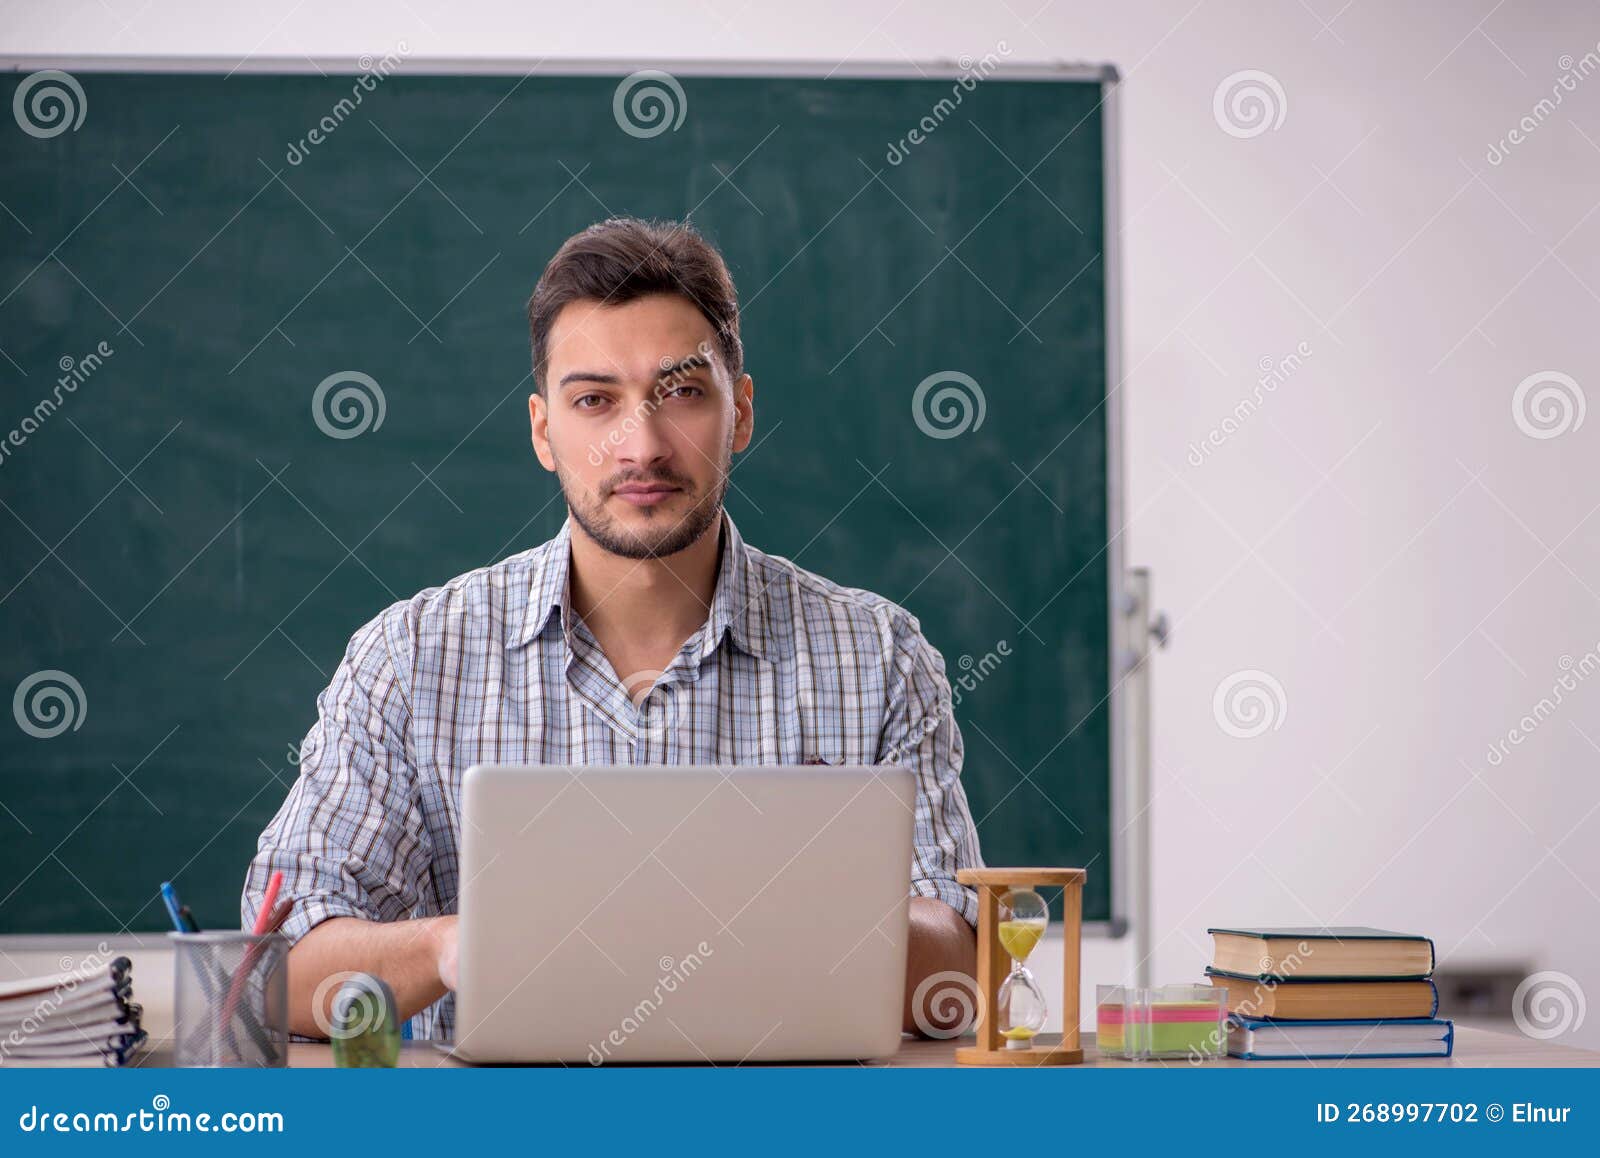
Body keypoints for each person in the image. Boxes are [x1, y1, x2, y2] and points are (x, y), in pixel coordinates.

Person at [243, 216, 984, 1041]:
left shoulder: (876, 657)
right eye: (595, 401)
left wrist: (790, 921)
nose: (642, 445)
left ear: (739, 413)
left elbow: (958, 968)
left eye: (682, 393)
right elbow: (278, 973)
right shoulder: (410, 659)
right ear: (543, 432)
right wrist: (463, 946)